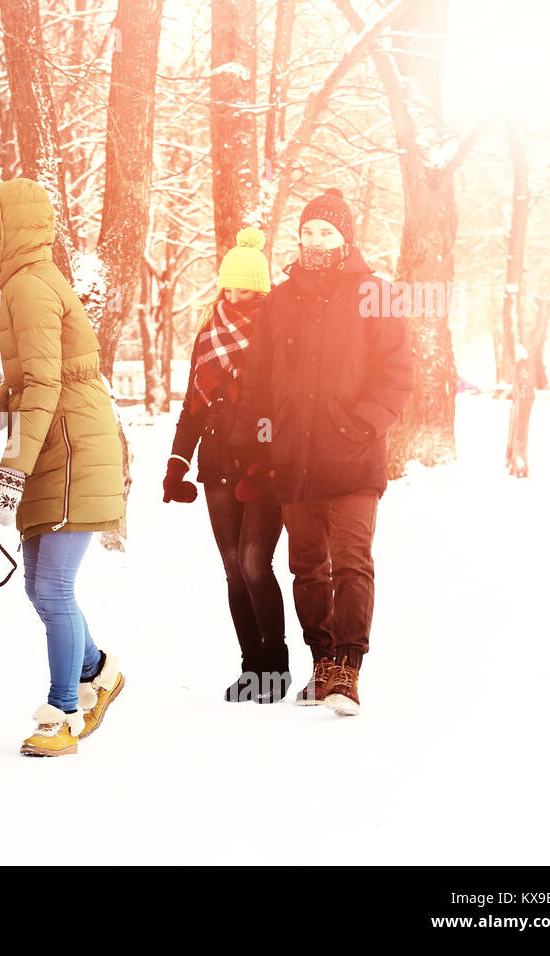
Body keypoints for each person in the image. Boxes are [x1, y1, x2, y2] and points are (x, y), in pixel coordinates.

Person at [234, 189, 413, 716]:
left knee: (353, 562)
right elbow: (258, 384)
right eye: (308, 231)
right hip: (294, 461)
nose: (315, 241)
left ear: (346, 238)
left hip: (354, 459)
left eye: (326, 232)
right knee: (307, 566)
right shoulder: (280, 302)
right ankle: (322, 661)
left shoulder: (376, 294)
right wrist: (264, 444)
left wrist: (362, 425)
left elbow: (398, 376)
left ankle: (348, 668)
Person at [0, 178, 125, 757]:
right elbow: (36, 374)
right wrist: (0, 401)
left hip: (67, 450)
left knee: (54, 587)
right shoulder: (26, 282)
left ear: (9, 231)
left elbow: (46, 383)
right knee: (40, 586)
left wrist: (12, 469)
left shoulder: (29, 287)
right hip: (57, 444)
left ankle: (63, 711)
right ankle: (98, 669)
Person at [164, 227, 288, 703]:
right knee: (235, 567)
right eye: (229, 287)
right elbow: (193, 405)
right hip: (215, 463)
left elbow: (280, 405)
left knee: (257, 563)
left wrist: (264, 456)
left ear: (261, 289)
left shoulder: (276, 333)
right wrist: (177, 461)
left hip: (261, 468)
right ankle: (251, 668)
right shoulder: (208, 332)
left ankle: (275, 665)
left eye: (246, 289)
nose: (236, 297)